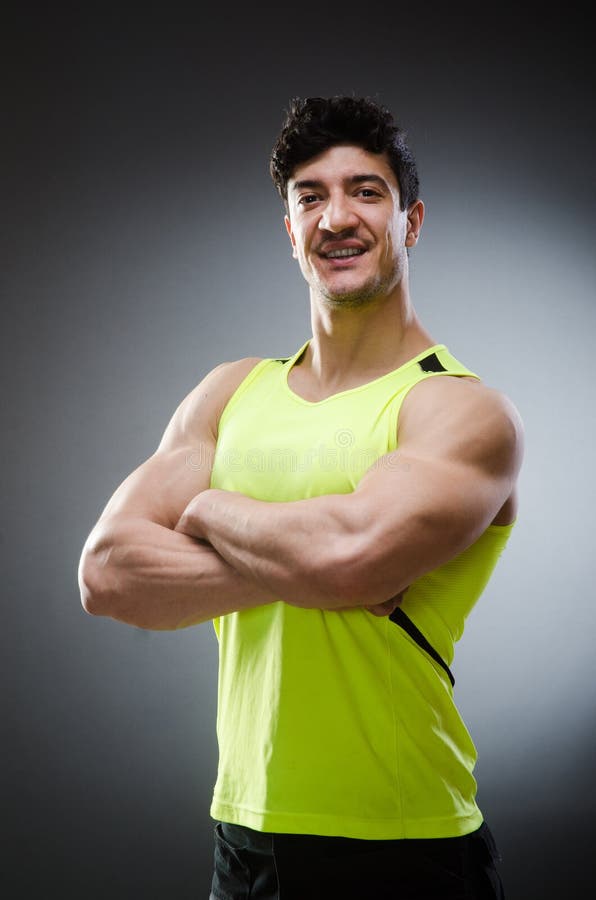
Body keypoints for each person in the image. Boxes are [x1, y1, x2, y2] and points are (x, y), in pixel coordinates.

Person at [78, 95, 524, 899]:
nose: (336, 216)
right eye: (310, 197)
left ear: (411, 221)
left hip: (404, 843)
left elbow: (350, 558)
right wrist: (318, 567)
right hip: (243, 839)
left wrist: (209, 513)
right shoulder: (229, 392)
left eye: (365, 190)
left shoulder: (458, 408)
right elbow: (106, 574)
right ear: (291, 231)